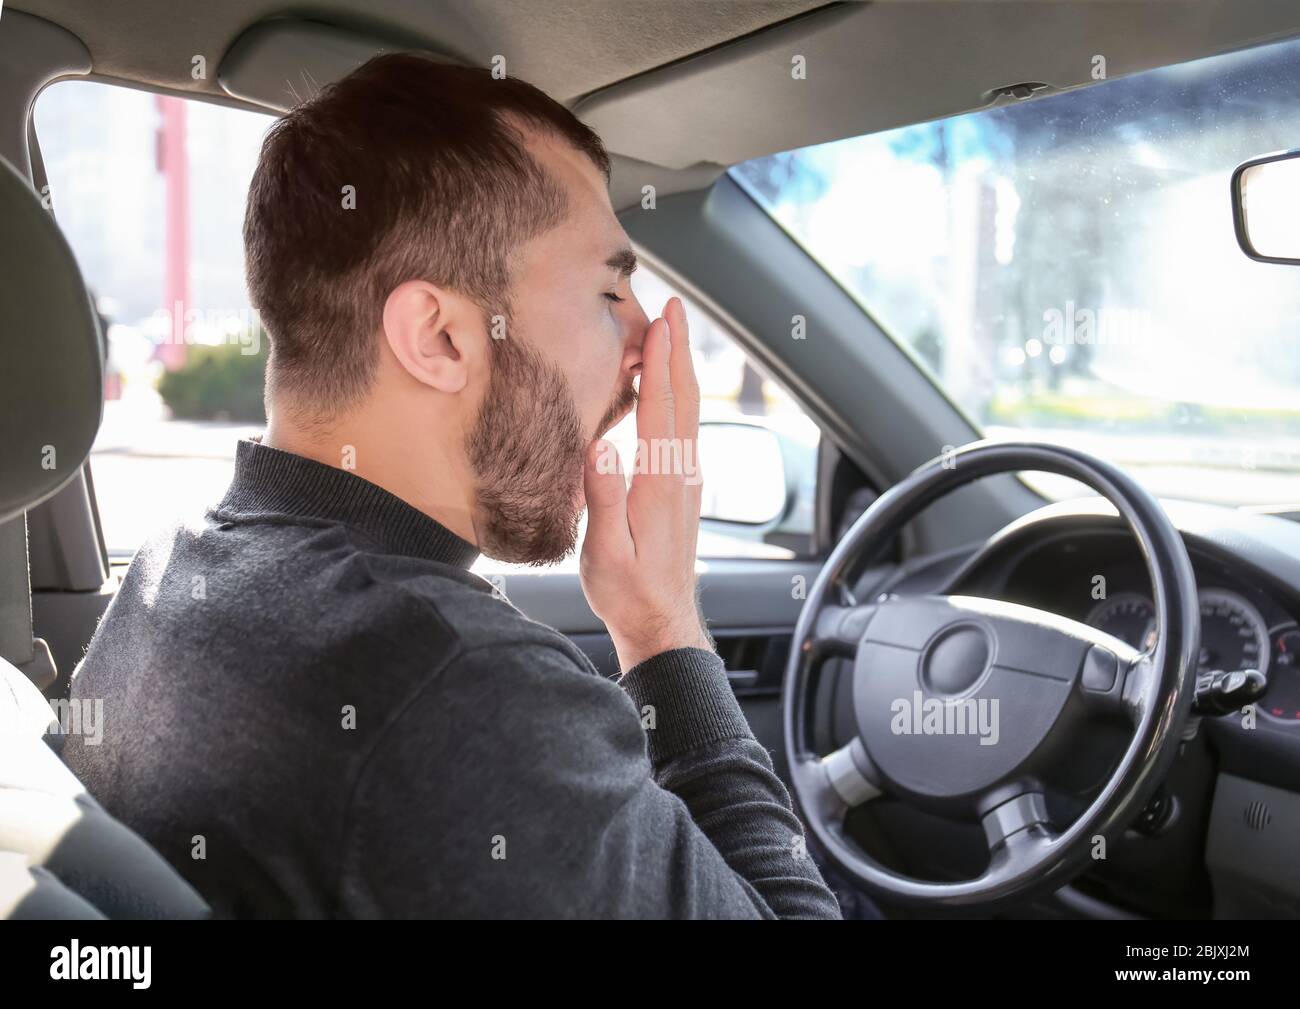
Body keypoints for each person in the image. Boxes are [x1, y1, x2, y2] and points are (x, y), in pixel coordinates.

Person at [64, 53, 841, 919]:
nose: (644, 344)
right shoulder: (460, 687)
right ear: (437, 337)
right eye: (610, 289)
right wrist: (661, 629)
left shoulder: (169, 575)